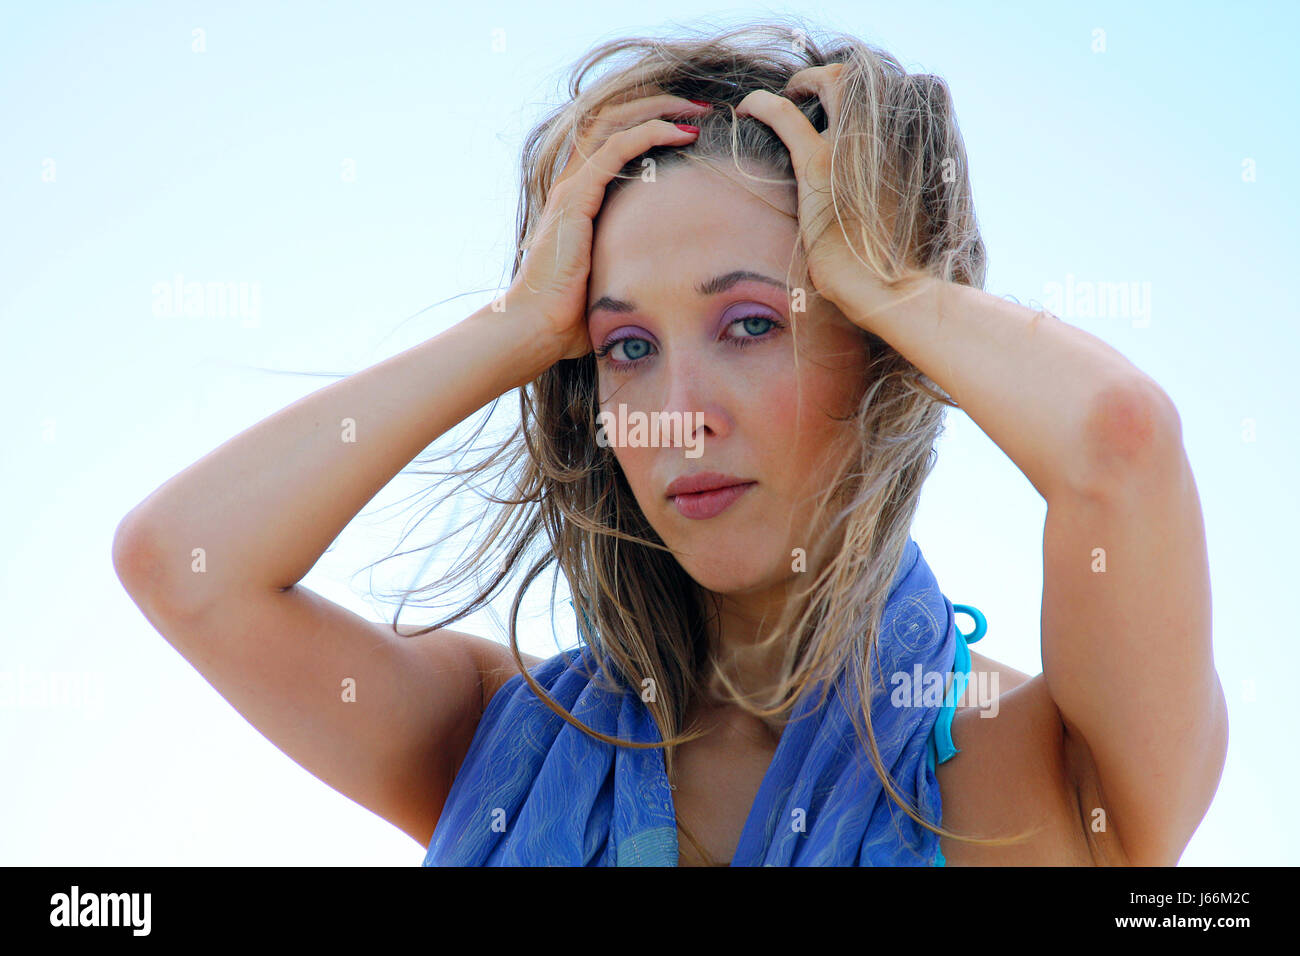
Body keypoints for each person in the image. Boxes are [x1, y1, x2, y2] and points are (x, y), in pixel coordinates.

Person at [112, 18, 1227, 866]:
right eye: (627, 345)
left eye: (751, 323)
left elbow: (1118, 442)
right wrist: (517, 326)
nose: (670, 409)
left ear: (885, 352)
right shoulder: (503, 733)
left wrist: (891, 285)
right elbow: (182, 561)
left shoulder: (1035, 760)